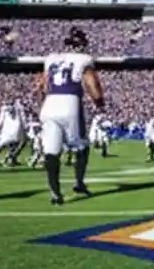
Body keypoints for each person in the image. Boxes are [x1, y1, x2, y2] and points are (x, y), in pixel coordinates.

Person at [36, 28, 105, 206]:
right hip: (70, 103)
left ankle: (55, 193)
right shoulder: (84, 59)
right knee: (81, 145)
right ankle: (79, 182)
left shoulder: (51, 58)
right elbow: (91, 83)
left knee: (51, 152)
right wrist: (99, 102)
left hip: (50, 104)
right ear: (82, 44)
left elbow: (43, 86)